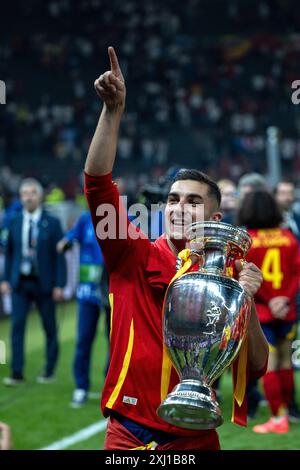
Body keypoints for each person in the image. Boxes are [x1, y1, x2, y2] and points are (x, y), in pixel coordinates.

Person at [83, 46, 269, 450]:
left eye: (193, 201)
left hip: (195, 438)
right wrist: (112, 112)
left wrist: (247, 302)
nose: (179, 208)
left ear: (215, 220)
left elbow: (255, 368)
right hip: (129, 433)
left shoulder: (232, 280)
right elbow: (98, 184)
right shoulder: (132, 254)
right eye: (172, 199)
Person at [237, 190, 300, 434]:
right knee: (285, 360)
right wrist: (284, 299)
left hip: (262, 311)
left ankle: (277, 418)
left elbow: (248, 278)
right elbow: (296, 273)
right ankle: (289, 410)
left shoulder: (247, 241)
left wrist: (271, 300)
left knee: (270, 365)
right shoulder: (289, 237)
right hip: (287, 310)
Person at [1, 178, 66, 385]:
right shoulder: (14, 221)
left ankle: (49, 369)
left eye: (32, 193)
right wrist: (4, 279)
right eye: (25, 194)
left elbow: (59, 256)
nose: (28, 197)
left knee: (49, 327)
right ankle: (17, 371)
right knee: (17, 327)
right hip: (20, 282)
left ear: (40, 196)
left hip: (44, 283)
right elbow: (9, 253)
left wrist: (59, 284)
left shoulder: (53, 222)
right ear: (20, 197)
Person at [57, 211, 110, 407]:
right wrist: (65, 242)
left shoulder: (124, 216)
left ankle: (111, 387)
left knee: (115, 342)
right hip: (88, 290)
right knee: (83, 339)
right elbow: (70, 237)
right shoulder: (85, 218)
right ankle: (81, 386)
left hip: (113, 290)